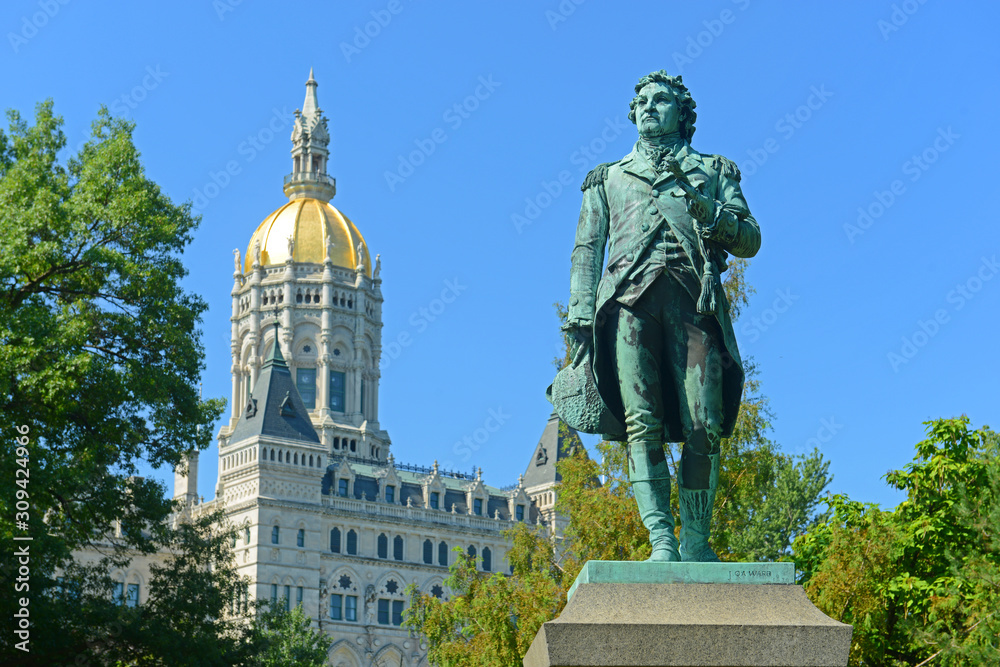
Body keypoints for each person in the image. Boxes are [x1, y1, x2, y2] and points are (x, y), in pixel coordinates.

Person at [561, 70, 760, 562]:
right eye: (642, 101)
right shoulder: (607, 177)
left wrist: (711, 213)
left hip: (696, 307)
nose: (649, 107)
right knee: (640, 423)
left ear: (683, 114)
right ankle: (661, 542)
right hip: (629, 305)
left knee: (703, 424)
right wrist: (580, 316)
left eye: (662, 100)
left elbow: (750, 239)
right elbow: (586, 250)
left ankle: (696, 541)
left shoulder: (713, 171)